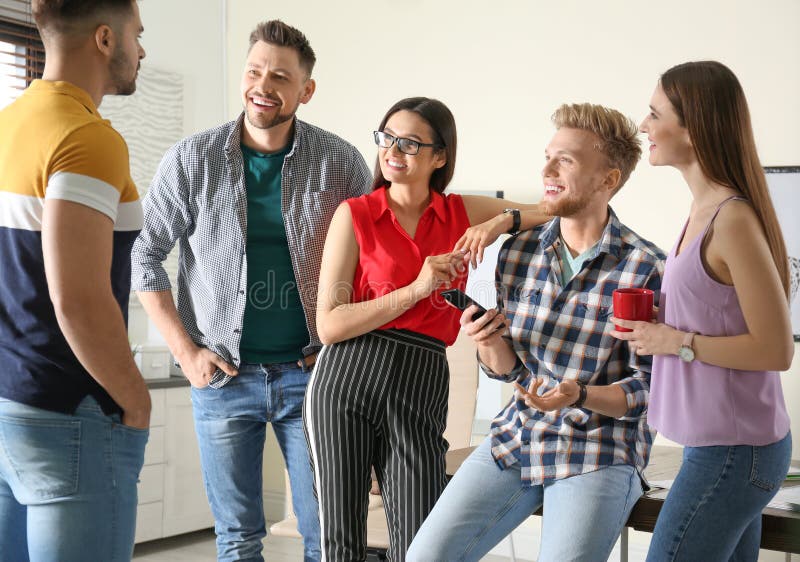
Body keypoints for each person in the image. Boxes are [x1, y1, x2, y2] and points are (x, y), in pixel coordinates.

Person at [131, 20, 370, 562]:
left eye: (280, 76)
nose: (263, 84)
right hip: (221, 381)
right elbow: (143, 254)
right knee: (237, 539)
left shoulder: (341, 163)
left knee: (329, 536)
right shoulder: (192, 159)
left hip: (314, 376)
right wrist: (185, 353)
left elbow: (373, 265)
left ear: (305, 91)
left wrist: (346, 356)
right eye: (255, 70)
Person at [406, 103, 666, 562]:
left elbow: (651, 390)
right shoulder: (519, 252)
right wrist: (489, 344)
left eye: (565, 159)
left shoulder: (646, 266)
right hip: (519, 434)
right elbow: (512, 373)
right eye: (547, 156)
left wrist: (578, 394)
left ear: (609, 179)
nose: (546, 169)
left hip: (599, 448)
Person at [304, 96, 551, 562]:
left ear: (440, 156)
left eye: (410, 143)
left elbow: (554, 211)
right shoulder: (354, 215)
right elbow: (330, 324)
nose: (393, 151)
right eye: (388, 138)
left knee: (423, 544)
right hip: (345, 378)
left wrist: (500, 220)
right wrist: (416, 289)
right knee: (341, 543)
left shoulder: (460, 212)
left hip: (422, 377)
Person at [613, 60, 793, 562]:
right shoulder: (702, 211)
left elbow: (776, 350)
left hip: (734, 453)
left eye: (654, 114)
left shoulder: (731, 219)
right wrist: (658, 331)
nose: (643, 126)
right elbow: (711, 314)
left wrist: (677, 342)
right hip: (718, 447)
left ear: (693, 128)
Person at [0, 1, 149, 560]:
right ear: (105, 39)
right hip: (72, 410)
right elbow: (80, 299)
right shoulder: (88, 137)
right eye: (138, 34)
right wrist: (135, 401)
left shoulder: (9, 124)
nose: (141, 50)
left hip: (9, 402)